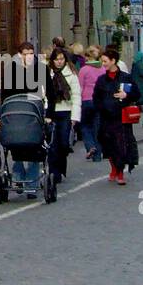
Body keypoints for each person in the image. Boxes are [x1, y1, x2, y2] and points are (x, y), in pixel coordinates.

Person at [0, 43, 42, 196]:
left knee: (34, 147)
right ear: (19, 55)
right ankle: (17, 176)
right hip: (15, 111)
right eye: (25, 54)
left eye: (31, 53)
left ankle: (32, 182)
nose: (28, 56)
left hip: (33, 111)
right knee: (16, 145)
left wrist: (48, 113)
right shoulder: (12, 69)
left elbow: (47, 90)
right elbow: (5, 93)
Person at [93, 45, 134, 185]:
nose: (103, 64)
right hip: (106, 116)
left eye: (105, 61)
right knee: (108, 144)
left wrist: (126, 95)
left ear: (113, 61)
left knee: (121, 145)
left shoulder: (125, 77)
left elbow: (137, 93)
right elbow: (96, 97)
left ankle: (120, 171)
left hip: (121, 116)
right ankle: (114, 168)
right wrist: (99, 108)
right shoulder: (101, 80)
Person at [45, 46, 81, 184]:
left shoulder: (71, 74)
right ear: (52, 60)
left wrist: (74, 117)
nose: (59, 62)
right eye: (56, 59)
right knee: (52, 144)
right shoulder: (48, 74)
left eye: (61, 59)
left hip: (66, 111)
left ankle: (61, 166)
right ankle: (55, 173)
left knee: (64, 143)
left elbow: (76, 95)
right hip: (52, 112)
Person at [77, 46, 104, 161]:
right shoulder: (103, 69)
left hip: (86, 100)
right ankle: (97, 155)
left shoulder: (84, 69)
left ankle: (90, 146)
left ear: (87, 57)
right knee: (97, 128)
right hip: (99, 101)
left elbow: (80, 87)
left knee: (85, 125)